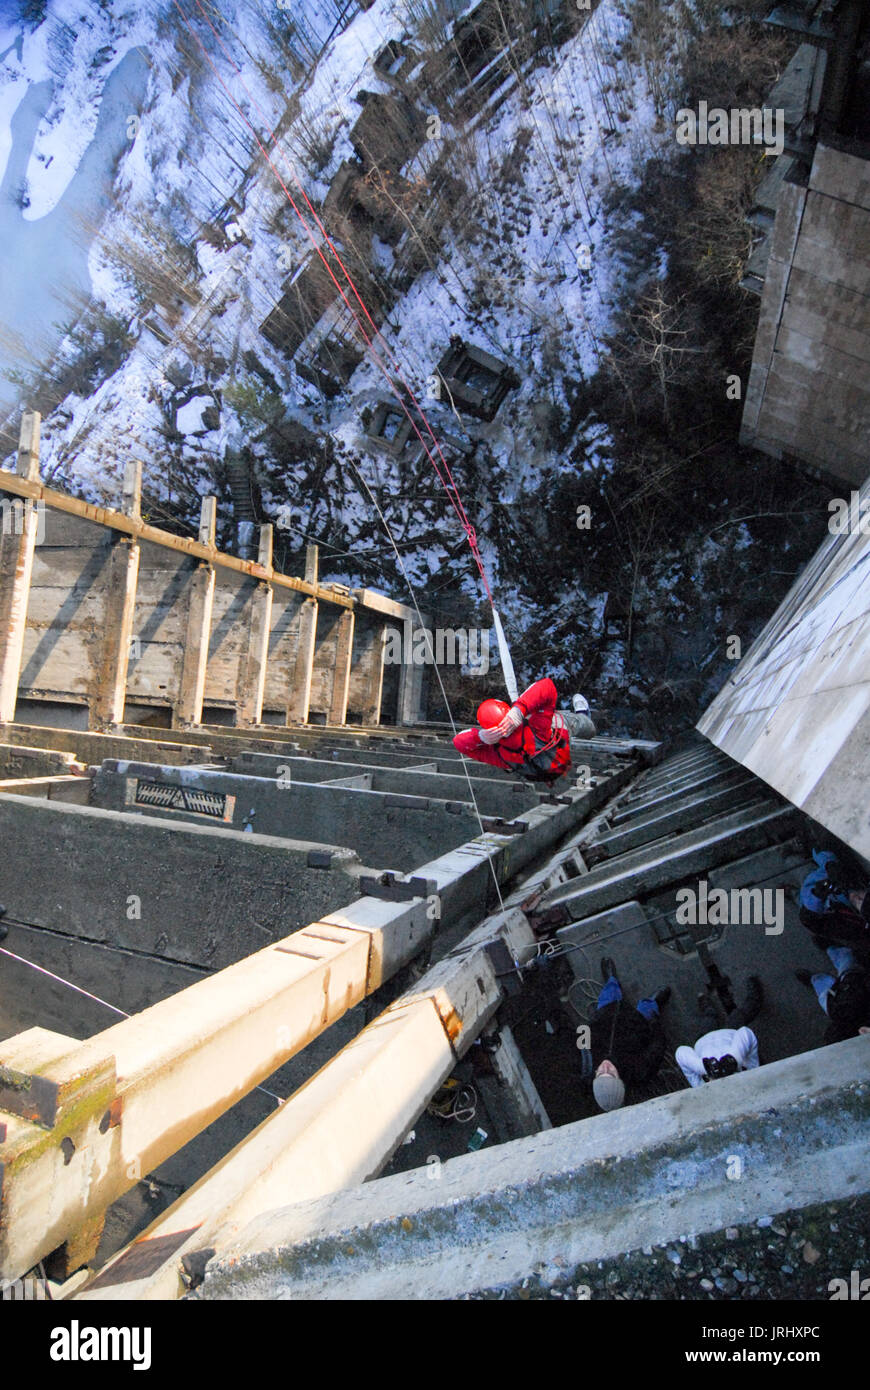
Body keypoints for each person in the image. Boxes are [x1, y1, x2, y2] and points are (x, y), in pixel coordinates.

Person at [584, 956, 671, 1111]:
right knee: (647, 1009)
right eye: (611, 1073)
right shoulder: (639, 1072)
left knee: (608, 995)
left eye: (600, 1073)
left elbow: (581, 1038)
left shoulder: (586, 1064)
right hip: (636, 1025)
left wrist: (590, 1024)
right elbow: (658, 1046)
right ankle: (654, 1002)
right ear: (620, 1081)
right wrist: (655, 1025)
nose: (605, 1066)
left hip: (605, 1015)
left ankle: (611, 980)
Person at [452, 676, 572, 784]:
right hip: (561, 754)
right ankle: (581, 715)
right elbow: (548, 686)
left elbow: (458, 743)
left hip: (545, 775)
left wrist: (480, 737)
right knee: (558, 719)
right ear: (508, 711)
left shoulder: (498, 755)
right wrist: (520, 709)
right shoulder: (537, 728)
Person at [798, 849, 870, 955]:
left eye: (860, 904)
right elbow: (818, 848)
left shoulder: (853, 929)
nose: (858, 898)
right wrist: (830, 864)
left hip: (809, 904)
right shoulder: (859, 875)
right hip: (816, 874)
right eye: (864, 896)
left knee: (799, 876)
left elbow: (809, 921)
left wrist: (817, 897)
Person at [795, 948, 870, 1045]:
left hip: (843, 1009)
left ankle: (816, 977)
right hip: (855, 988)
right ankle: (832, 949)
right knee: (847, 964)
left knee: (825, 990)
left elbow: (833, 1036)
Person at [675, 1022, 759, 1088]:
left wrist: (704, 1067)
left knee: (702, 1018)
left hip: (701, 1036)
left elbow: (681, 1052)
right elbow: (745, 1032)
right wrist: (733, 1059)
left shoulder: (701, 1087)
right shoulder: (750, 1077)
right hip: (729, 1030)